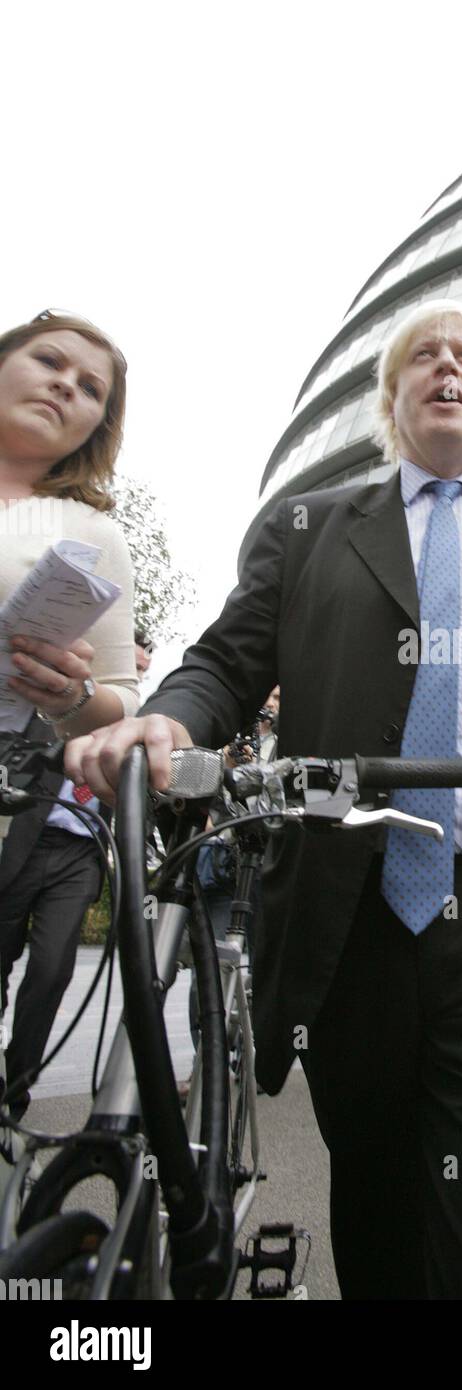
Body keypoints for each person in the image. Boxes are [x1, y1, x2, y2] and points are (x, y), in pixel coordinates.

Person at [67, 299, 462, 1300]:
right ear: (391, 400)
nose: (445, 367)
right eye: (421, 357)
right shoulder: (307, 532)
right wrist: (170, 722)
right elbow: (224, 661)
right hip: (352, 919)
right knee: (383, 1222)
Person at [0, 311, 138, 1120]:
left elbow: (117, 699)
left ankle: (12, 1103)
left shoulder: (90, 533)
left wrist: (72, 698)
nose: (65, 384)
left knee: (43, 967)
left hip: (24, 798)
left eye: (91, 388)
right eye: (49, 360)